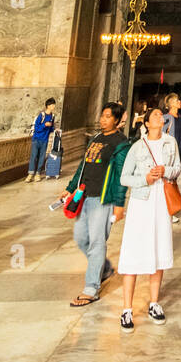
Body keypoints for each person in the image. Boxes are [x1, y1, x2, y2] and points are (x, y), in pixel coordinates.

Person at [117, 106, 181, 331]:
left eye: (160, 115)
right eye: (154, 115)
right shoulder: (137, 147)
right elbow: (124, 177)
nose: (159, 116)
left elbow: (177, 169)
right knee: (133, 251)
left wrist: (166, 171)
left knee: (159, 248)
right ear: (146, 123)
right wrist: (145, 178)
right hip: (141, 201)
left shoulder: (170, 143)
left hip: (161, 200)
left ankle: (154, 303)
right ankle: (127, 308)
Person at [61, 101, 129, 308]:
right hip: (85, 195)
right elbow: (84, 165)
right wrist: (71, 188)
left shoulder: (121, 142)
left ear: (117, 121)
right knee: (81, 238)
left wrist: (119, 203)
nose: (103, 119)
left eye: (108, 116)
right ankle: (105, 269)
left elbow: (120, 176)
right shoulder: (97, 138)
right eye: (102, 115)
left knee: (97, 242)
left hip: (103, 197)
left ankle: (91, 288)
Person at [26, 98, 56, 182]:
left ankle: (38, 173)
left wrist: (53, 129)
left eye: (54, 105)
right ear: (48, 106)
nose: (54, 106)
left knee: (42, 157)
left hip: (45, 139)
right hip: (36, 139)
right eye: (52, 105)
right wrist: (44, 125)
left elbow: (51, 128)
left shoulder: (52, 116)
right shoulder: (41, 115)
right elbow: (37, 128)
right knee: (34, 156)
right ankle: (30, 174)